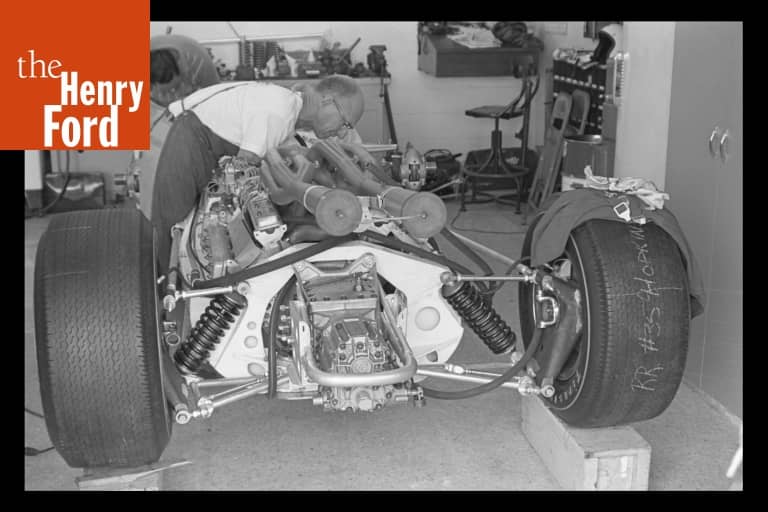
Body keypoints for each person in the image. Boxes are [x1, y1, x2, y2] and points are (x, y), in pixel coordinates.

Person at [151, 75, 365, 272]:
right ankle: (164, 299)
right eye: (345, 123)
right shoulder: (278, 112)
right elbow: (242, 168)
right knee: (173, 228)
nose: (343, 132)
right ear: (327, 101)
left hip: (200, 138)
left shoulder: (288, 106)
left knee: (184, 226)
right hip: (190, 141)